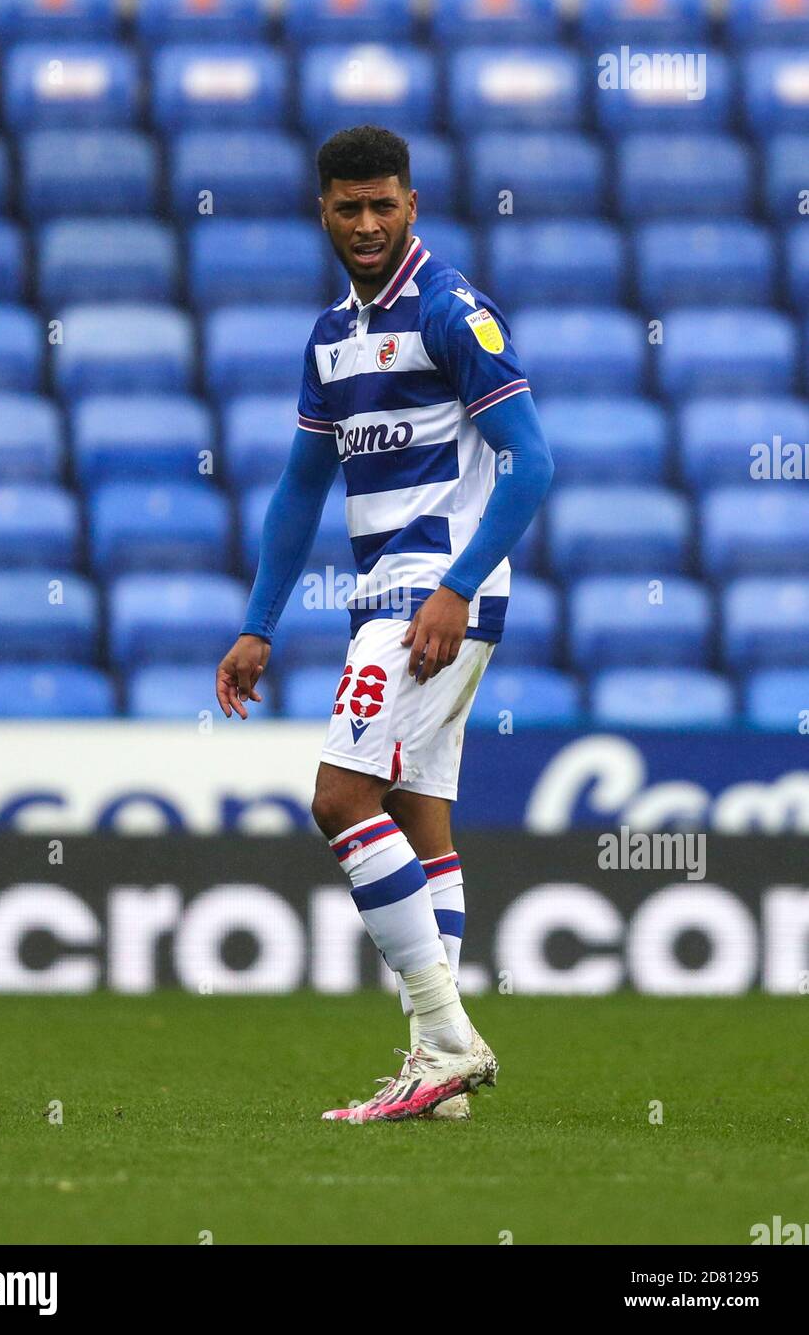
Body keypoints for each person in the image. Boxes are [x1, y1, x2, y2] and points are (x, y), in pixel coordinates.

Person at [216, 126, 553, 1122]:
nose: (368, 224)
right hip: (391, 602)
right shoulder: (332, 337)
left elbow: (531, 462)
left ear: (412, 204)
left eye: (384, 205)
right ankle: (434, 1071)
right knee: (419, 821)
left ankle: (447, 1036)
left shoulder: (453, 310)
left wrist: (455, 587)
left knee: (336, 797)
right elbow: (299, 488)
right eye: (349, 207)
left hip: (428, 606)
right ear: (322, 208)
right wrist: (258, 623)